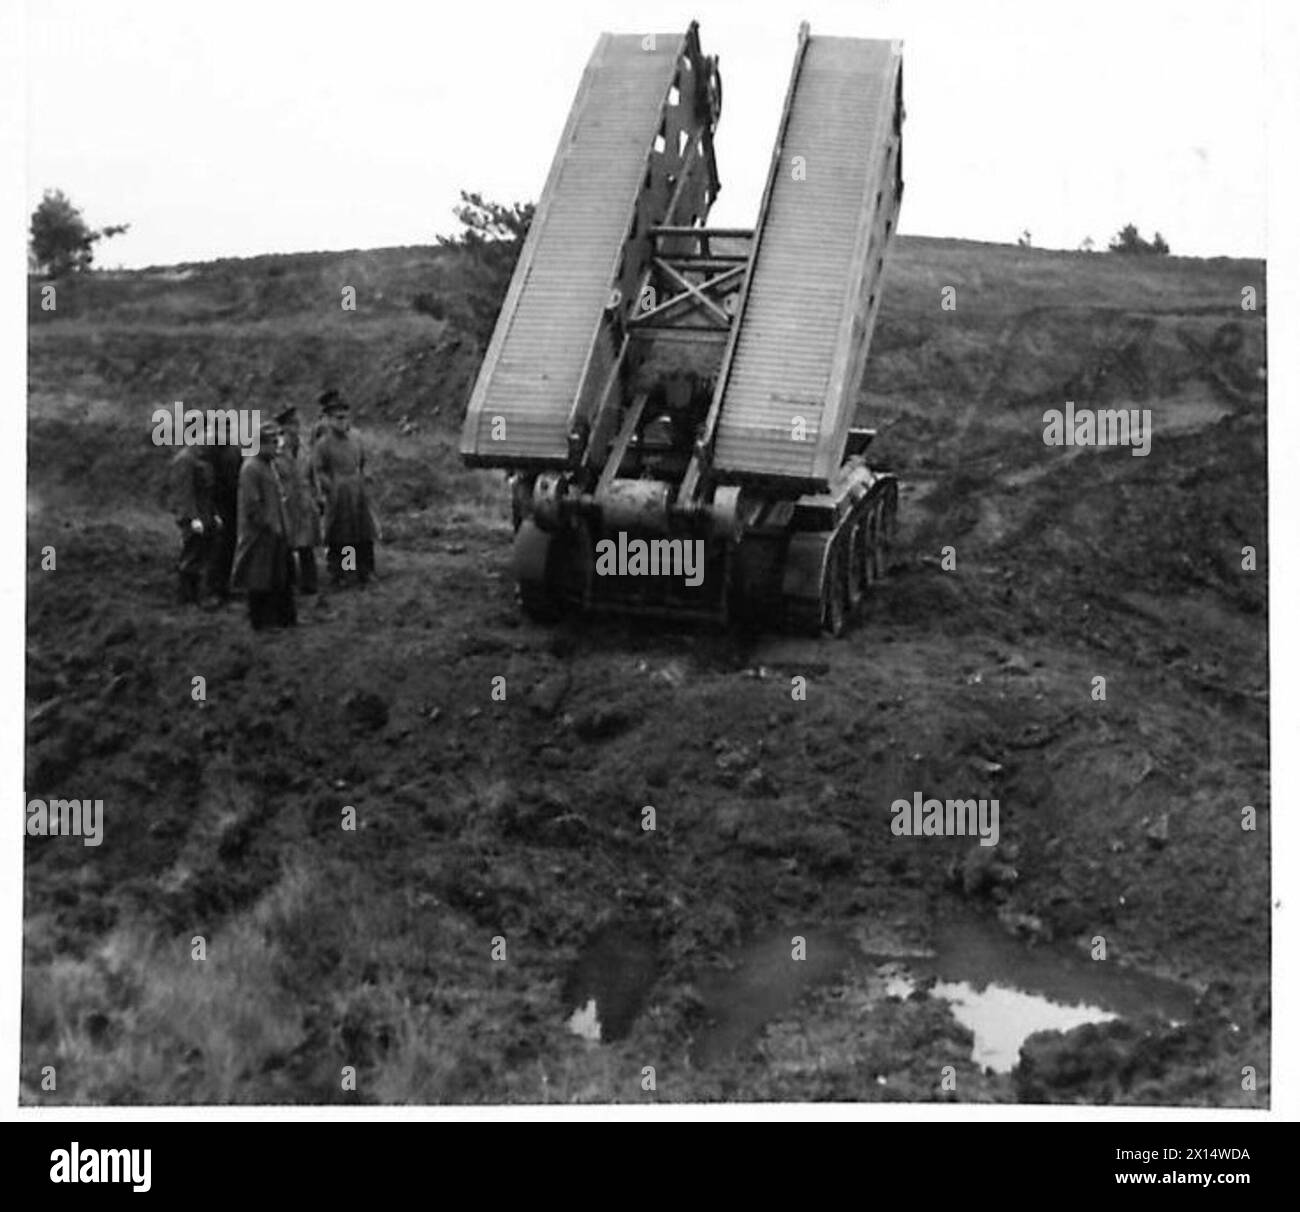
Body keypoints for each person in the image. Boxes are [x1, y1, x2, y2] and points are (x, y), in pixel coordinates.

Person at [231, 419, 296, 629]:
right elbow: (252, 505)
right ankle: (261, 622)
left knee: (279, 577)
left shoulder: (269, 466)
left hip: (276, 532)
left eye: (276, 441)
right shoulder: (251, 468)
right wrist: (269, 525)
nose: (276, 446)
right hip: (260, 535)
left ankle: (283, 619)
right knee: (259, 580)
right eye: (271, 442)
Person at [311, 389, 376, 586]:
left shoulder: (357, 437)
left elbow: (365, 461)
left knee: (363, 532)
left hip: (357, 490)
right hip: (339, 494)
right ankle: (346, 571)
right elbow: (319, 469)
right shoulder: (323, 444)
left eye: (345, 417)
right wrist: (329, 487)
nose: (342, 421)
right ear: (329, 419)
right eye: (338, 418)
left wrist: (365, 478)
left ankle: (365, 569)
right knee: (343, 535)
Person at [273, 405, 322, 594]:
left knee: (307, 544)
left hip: (305, 500)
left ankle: (312, 583)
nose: (297, 428)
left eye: (298, 424)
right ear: (284, 427)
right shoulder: (277, 450)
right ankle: (289, 581)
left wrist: (317, 497)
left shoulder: (305, 448)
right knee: (287, 544)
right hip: (287, 502)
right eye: (293, 424)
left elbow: (313, 474)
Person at [166, 443, 219, 604]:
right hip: (195, 517)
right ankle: (187, 596)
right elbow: (184, 492)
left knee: (204, 554)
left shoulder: (203, 457)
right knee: (192, 555)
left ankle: (198, 594)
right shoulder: (185, 459)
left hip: (206, 515)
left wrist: (214, 513)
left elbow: (209, 491)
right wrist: (192, 518)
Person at [204, 423, 243, 605]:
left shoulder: (234, 450)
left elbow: (240, 477)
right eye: (221, 430)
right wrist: (211, 510)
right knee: (216, 548)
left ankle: (224, 586)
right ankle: (213, 590)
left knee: (230, 545)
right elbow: (207, 483)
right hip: (216, 504)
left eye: (228, 430)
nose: (225, 434)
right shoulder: (208, 452)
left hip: (233, 504)